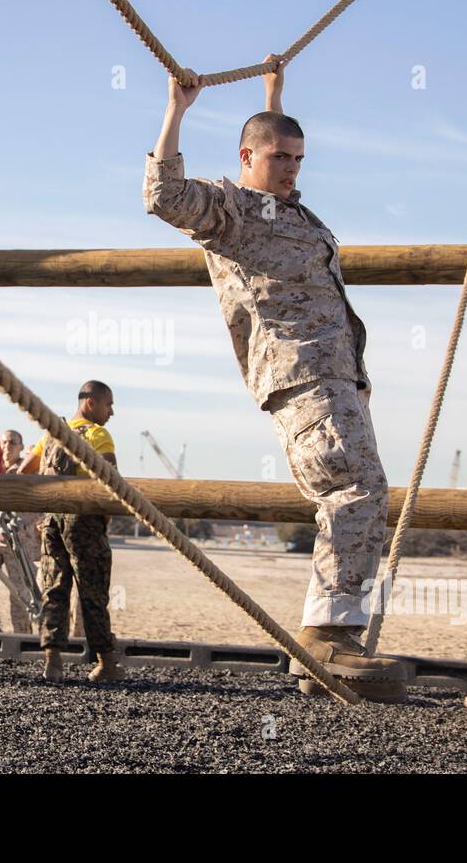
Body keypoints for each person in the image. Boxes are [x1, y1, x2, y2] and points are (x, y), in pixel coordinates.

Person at [143, 56, 405, 700]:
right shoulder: (231, 209)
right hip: (300, 371)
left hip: (335, 371)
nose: (291, 168)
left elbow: (273, 155)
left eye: (298, 158)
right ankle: (326, 640)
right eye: (280, 157)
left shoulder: (290, 214)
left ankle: (330, 638)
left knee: (365, 490)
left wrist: (275, 95)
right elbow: (163, 198)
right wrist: (177, 110)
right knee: (353, 488)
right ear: (247, 156)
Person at [18, 381, 121, 682]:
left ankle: (53, 663)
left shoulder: (52, 434)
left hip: (51, 522)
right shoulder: (98, 435)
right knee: (93, 593)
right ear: (90, 403)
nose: (111, 412)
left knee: (54, 590)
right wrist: (104, 520)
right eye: (108, 404)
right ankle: (106, 663)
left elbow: (25, 472)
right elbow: (111, 482)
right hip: (83, 524)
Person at [0, 429, 39, 633]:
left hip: (18, 542)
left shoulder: (27, 471)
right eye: (3, 442)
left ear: (21, 447)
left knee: (20, 594)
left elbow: (39, 502)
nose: (7, 447)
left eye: (12, 443)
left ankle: (22, 635)